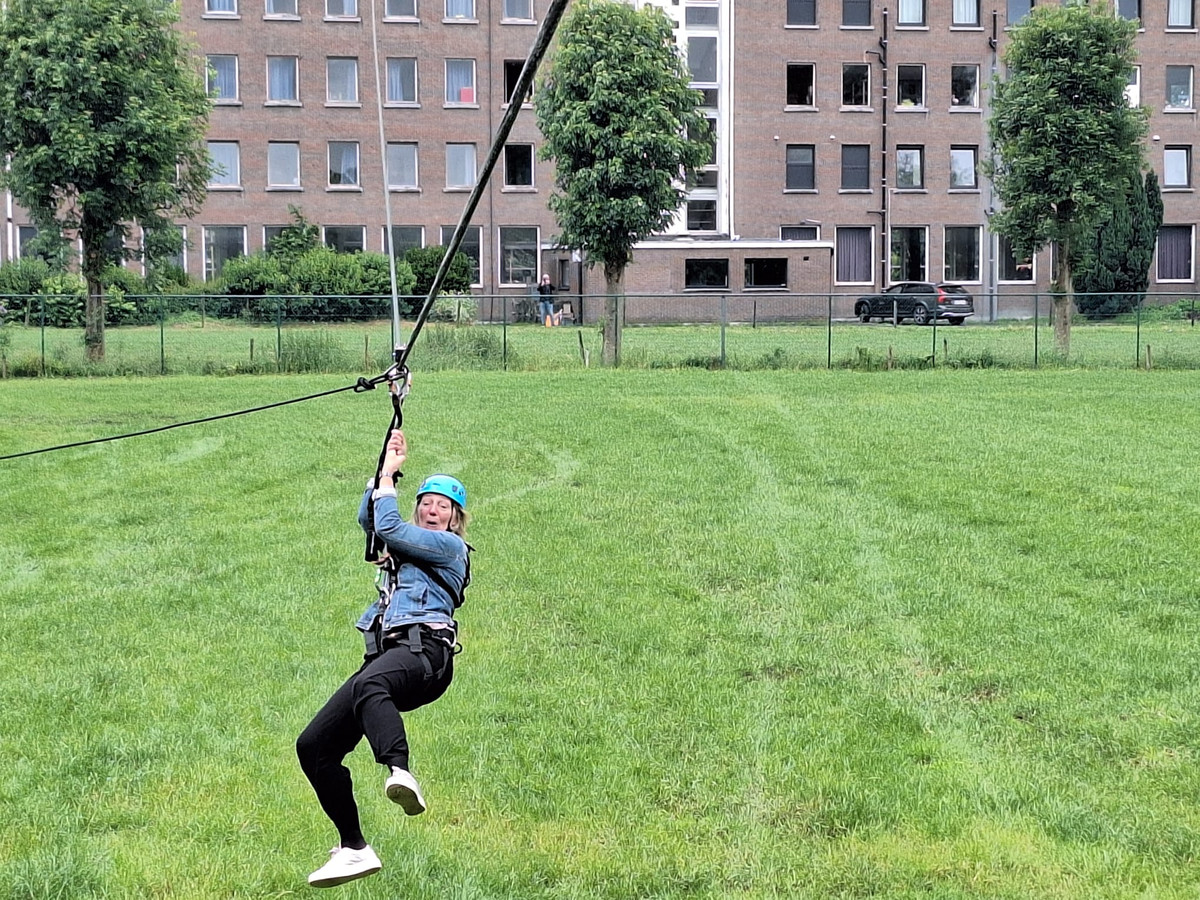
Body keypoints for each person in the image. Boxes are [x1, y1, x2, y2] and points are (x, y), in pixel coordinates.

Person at [296, 429, 470, 889]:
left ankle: (399, 770)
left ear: (454, 520)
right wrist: (383, 471)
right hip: (389, 654)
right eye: (426, 503)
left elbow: (389, 527)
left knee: (372, 685)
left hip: (427, 655)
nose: (433, 511)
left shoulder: (450, 548)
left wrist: (391, 482)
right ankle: (353, 848)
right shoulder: (399, 547)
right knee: (313, 747)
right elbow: (373, 524)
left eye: (443, 507)